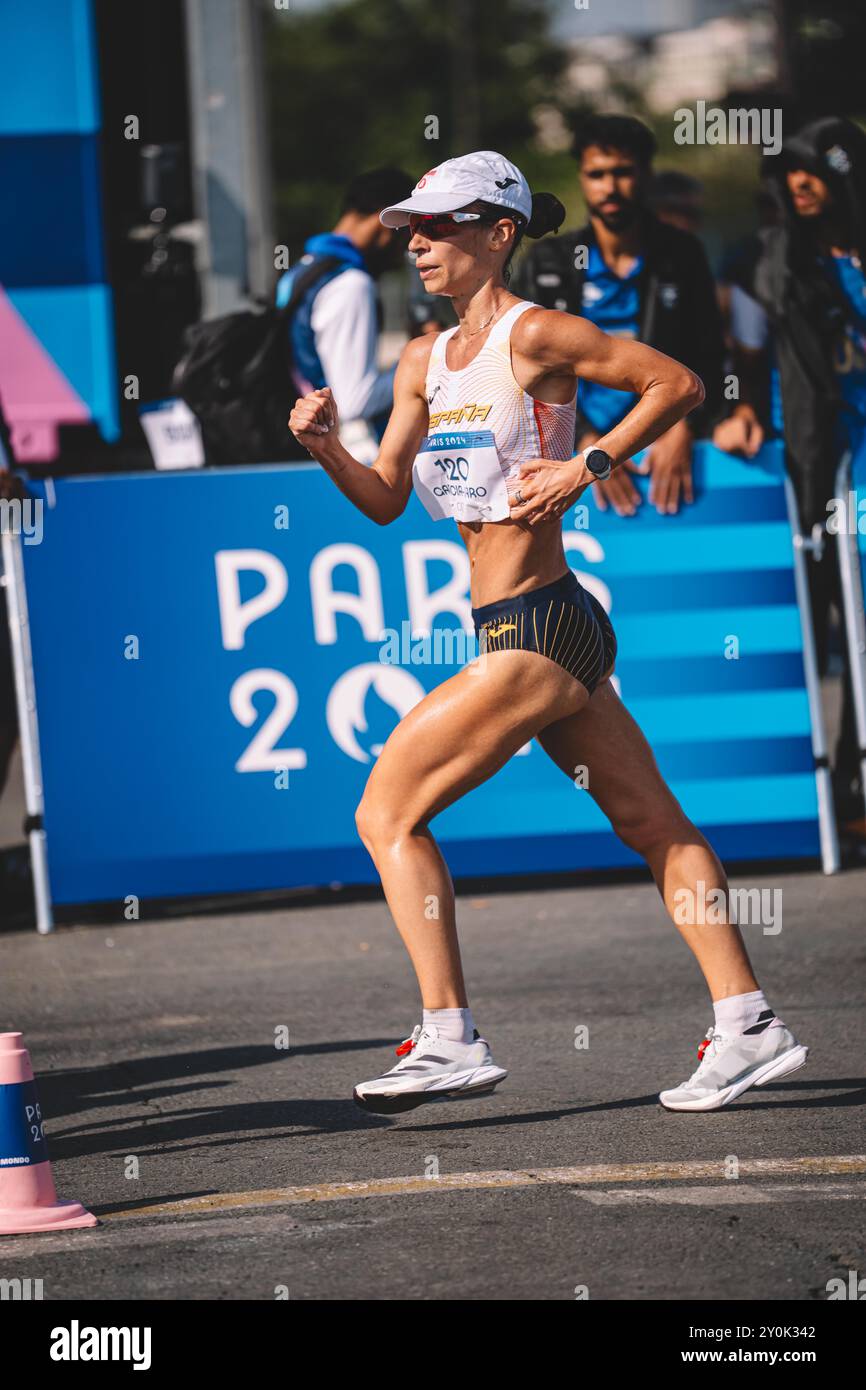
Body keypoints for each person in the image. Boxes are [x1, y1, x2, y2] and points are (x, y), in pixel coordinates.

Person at [289, 150, 808, 1115]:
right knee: (652, 824)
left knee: (385, 814)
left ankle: (447, 1037)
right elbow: (384, 501)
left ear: (500, 234)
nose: (418, 242)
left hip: (541, 625)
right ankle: (749, 1024)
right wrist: (326, 447)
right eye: (411, 227)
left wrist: (587, 463)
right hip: (530, 631)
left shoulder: (539, 336)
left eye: (440, 225)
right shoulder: (420, 360)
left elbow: (680, 384)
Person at [715, 117, 866, 828]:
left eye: (815, 169)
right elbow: (745, 356)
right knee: (832, 619)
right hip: (815, 457)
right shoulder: (769, 260)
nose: (801, 184)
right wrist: (740, 409)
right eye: (790, 172)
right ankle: (838, 794)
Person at [512, 115, 725, 517]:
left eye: (622, 172)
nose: (609, 186)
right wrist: (590, 445)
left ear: (646, 174)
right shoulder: (549, 260)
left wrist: (684, 425)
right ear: (581, 177)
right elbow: (522, 370)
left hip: (666, 454)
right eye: (597, 174)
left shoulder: (682, 253)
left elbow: (709, 355)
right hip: (572, 458)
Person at [275, 167, 414, 463]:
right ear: (385, 221)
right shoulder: (351, 284)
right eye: (407, 232)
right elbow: (353, 402)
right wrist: (422, 359)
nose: (409, 248)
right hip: (340, 457)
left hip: (298, 447)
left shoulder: (301, 270)